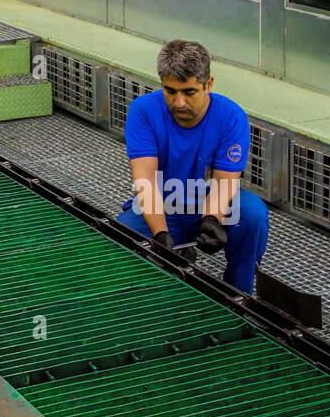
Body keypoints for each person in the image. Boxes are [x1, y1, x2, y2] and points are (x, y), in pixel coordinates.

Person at [113, 39, 268, 294]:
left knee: (252, 214)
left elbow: (224, 183)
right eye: (170, 91)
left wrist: (212, 221)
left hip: (207, 202)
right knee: (120, 239)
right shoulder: (143, 111)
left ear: (209, 84)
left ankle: (239, 295)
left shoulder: (231, 116)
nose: (179, 103)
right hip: (163, 206)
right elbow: (146, 183)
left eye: (189, 92)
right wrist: (161, 237)